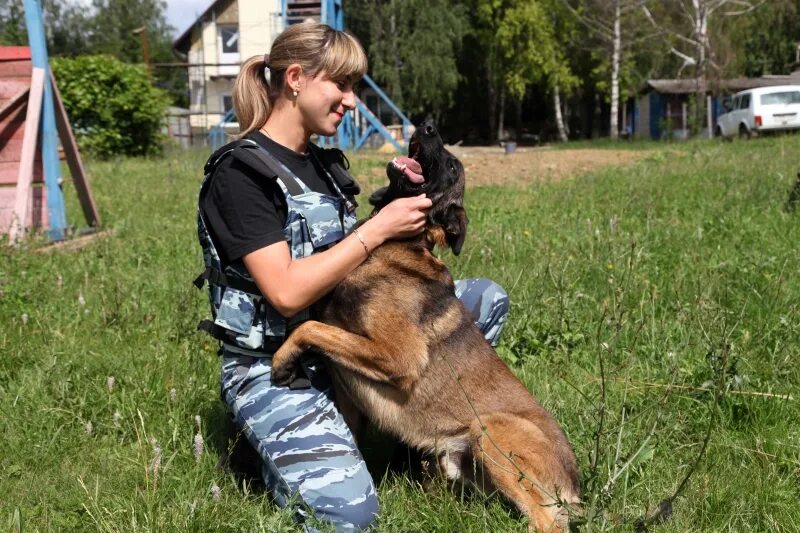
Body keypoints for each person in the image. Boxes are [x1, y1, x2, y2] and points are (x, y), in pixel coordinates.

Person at [195, 22, 509, 532]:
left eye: (355, 87)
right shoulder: (242, 176)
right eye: (341, 85)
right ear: (295, 78)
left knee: (483, 300)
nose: (352, 101)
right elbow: (286, 291)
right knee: (350, 514)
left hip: (340, 345)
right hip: (276, 364)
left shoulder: (320, 165)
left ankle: (419, 443)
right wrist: (377, 229)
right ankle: (261, 453)